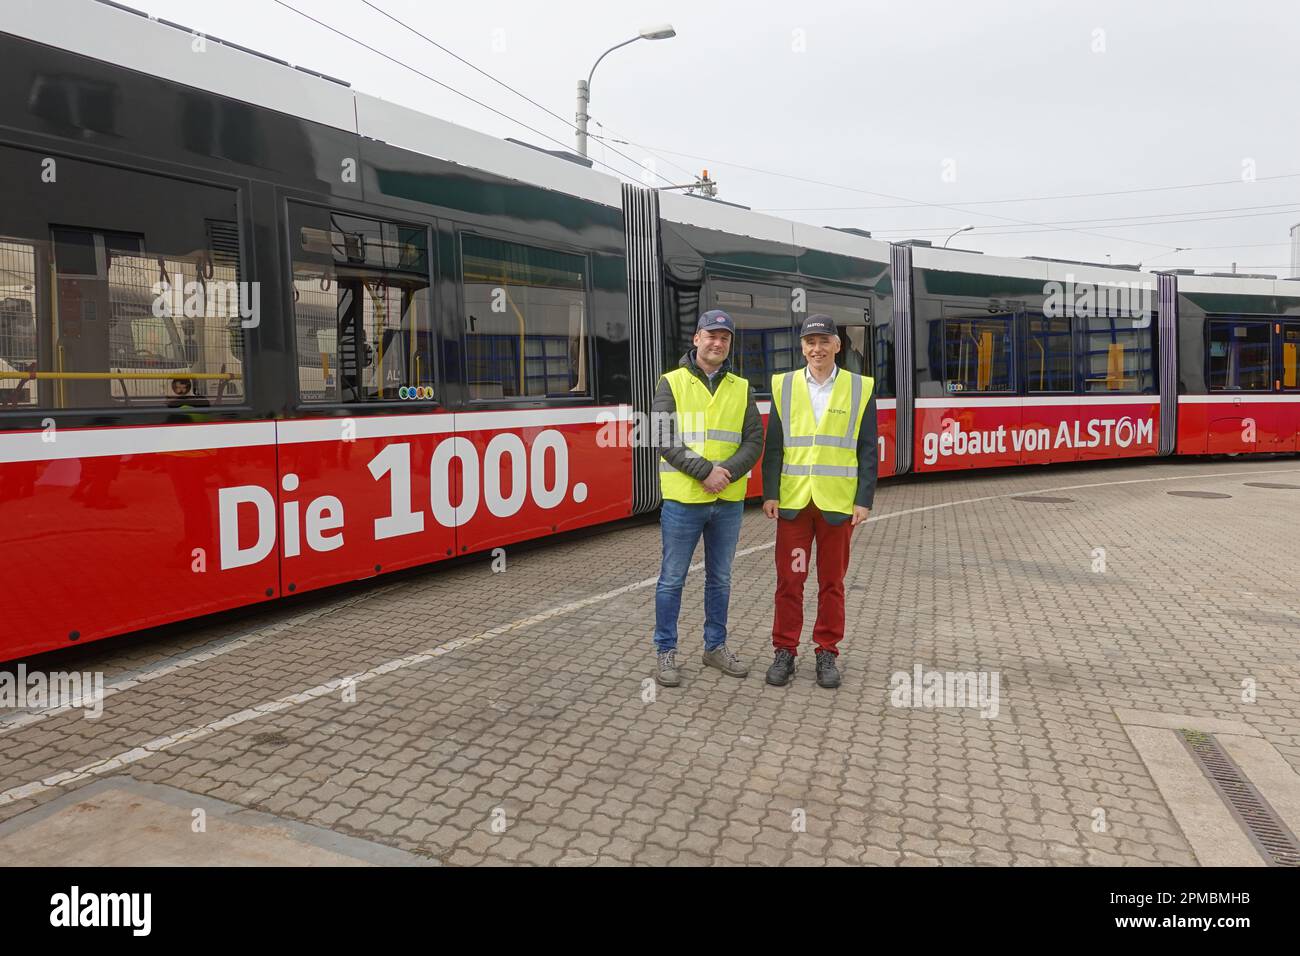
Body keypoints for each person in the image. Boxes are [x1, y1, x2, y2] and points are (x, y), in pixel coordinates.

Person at [761, 314, 878, 689]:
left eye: (824, 341)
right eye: (810, 342)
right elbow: (775, 445)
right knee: (789, 582)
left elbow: (866, 448)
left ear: (837, 345)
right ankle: (785, 651)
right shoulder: (784, 385)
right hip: (794, 505)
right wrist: (770, 493)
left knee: (832, 583)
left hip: (837, 507)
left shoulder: (860, 388)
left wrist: (864, 499)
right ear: (802, 347)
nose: (817, 349)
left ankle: (827, 651)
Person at [652, 310, 764, 687]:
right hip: (684, 500)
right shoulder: (672, 382)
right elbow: (664, 438)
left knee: (720, 578)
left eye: (725, 338)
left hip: (727, 500)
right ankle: (666, 652)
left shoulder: (741, 386)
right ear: (697, 338)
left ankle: (714, 648)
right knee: (672, 579)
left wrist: (725, 473)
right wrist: (706, 472)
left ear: (729, 344)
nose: (717, 343)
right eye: (711, 335)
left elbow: (754, 441)